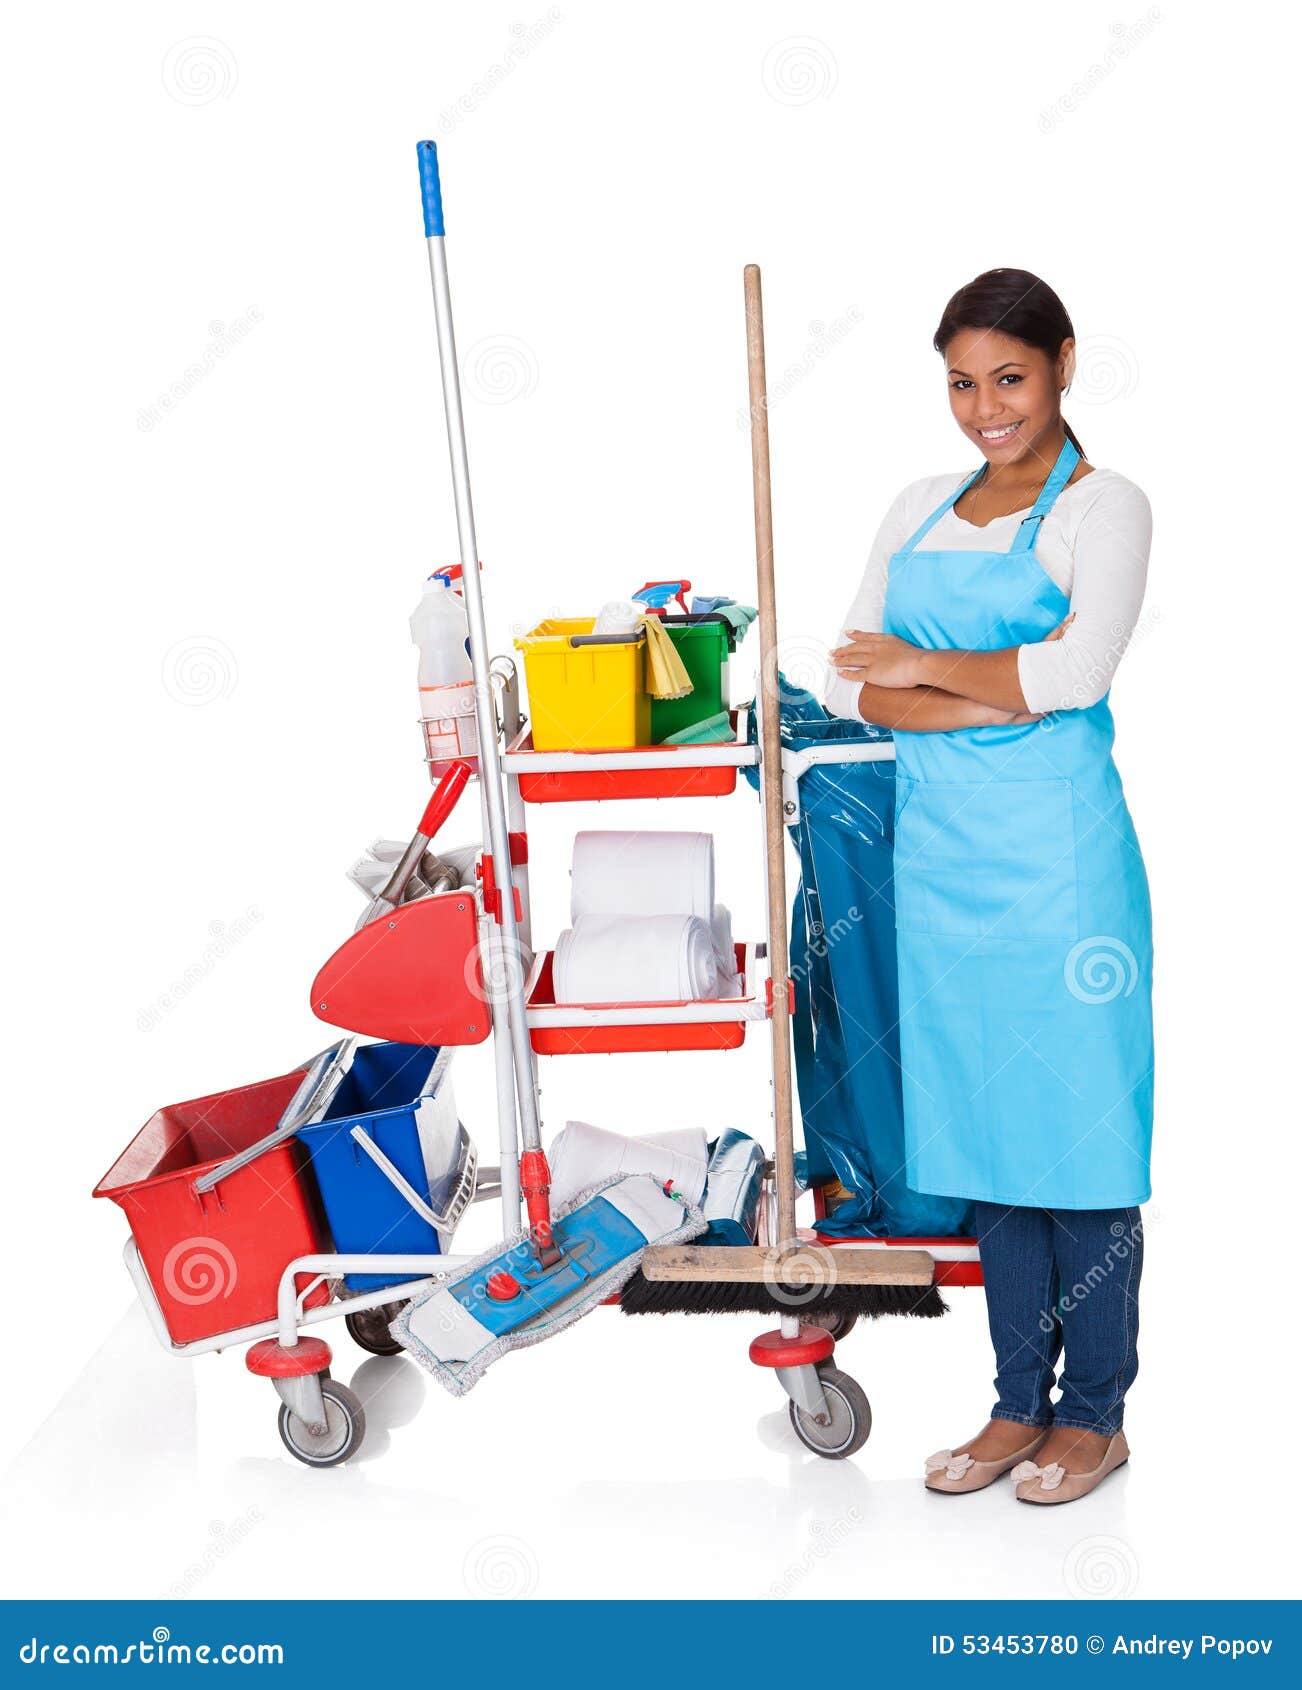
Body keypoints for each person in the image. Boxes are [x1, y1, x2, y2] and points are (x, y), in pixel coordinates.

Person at [826, 268, 1153, 1505]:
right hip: (947, 866)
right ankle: (1018, 1403)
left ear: (1064, 362)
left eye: (1008, 378)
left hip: (1062, 875)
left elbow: (1076, 674)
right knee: (985, 1136)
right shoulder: (920, 504)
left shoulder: (1103, 508)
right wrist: (960, 685)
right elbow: (850, 676)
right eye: (962, 383)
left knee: (1081, 1137)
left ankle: (1097, 1414)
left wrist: (923, 674)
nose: (984, 408)